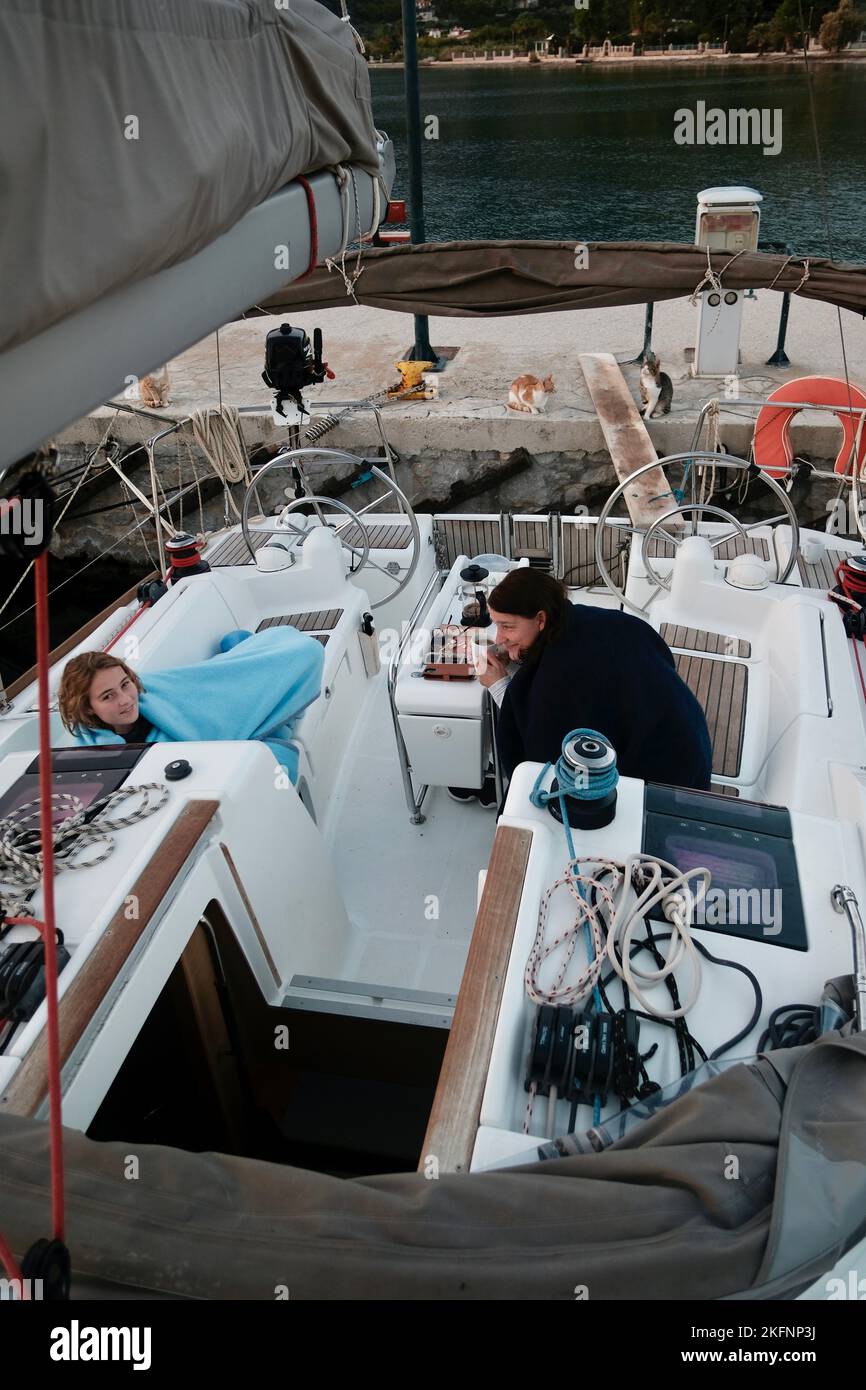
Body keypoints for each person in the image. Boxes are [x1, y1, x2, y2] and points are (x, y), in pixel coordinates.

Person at [476, 569, 712, 791]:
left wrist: (498, 684)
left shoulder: (560, 675)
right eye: (497, 626)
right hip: (690, 737)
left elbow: (540, 749)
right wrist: (521, 650)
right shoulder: (596, 619)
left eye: (507, 627)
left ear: (540, 619)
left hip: (666, 781)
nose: (499, 638)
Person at [58, 626, 324, 782]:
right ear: (88, 707)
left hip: (217, 694)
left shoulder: (148, 691)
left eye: (125, 684)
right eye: (108, 696)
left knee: (306, 652)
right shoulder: (91, 758)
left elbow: (200, 689)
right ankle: (238, 646)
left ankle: (240, 651)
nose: (126, 700)